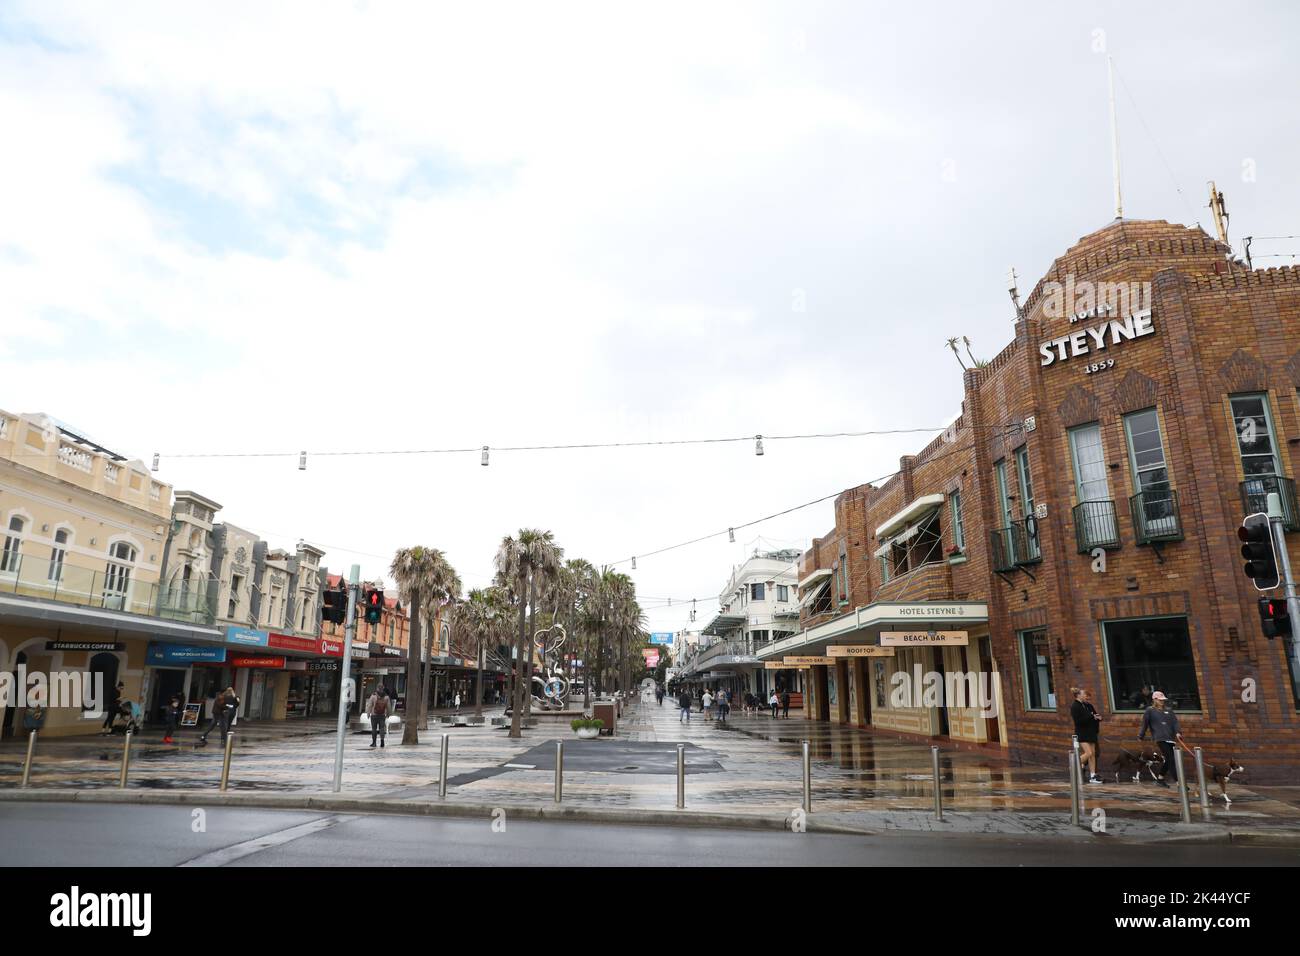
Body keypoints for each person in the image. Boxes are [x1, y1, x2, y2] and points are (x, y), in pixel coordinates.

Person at [1138, 691, 1183, 787]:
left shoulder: (1169, 711)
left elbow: (1175, 723)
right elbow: (1144, 724)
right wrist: (1141, 735)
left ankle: (1160, 779)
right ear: (1154, 700)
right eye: (1160, 700)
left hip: (1170, 738)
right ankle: (1179, 783)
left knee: (1169, 759)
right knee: (1171, 759)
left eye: (1163, 700)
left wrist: (1178, 732)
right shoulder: (1149, 711)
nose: (1162, 701)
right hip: (1160, 738)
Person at [1070, 687, 1102, 783]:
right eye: (1084, 695)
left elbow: (1092, 715)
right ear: (1079, 695)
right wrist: (1091, 716)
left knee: (1093, 754)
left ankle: (1093, 775)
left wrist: (1096, 717)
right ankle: (1073, 764)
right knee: (1088, 753)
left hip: (1090, 732)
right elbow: (1078, 721)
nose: (1085, 696)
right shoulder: (1075, 706)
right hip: (1082, 733)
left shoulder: (1086, 705)